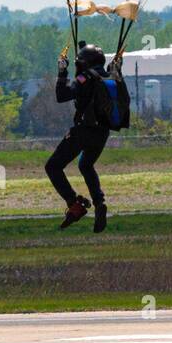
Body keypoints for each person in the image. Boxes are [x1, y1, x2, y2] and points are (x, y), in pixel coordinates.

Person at [44, 42, 128, 232]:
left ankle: (74, 204)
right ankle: (99, 204)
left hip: (83, 131)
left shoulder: (84, 78)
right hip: (102, 133)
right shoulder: (110, 75)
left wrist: (62, 72)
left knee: (53, 166)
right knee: (86, 165)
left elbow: (61, 95)